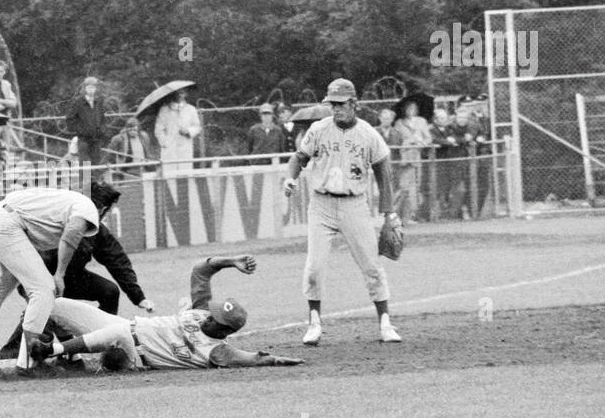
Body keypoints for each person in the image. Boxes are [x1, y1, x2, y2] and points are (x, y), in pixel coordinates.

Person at [283, 78, 403, 346]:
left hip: (354, 205)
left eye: (340, 104)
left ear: (353, 104)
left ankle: (385, 323)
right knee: (314, 267)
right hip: (321, 205)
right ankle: (314, 322)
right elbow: (298, 159)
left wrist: (389, 214)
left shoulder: (369, 134)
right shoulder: (319, 129)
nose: (335, 109)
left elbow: (384, 174)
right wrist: (290, 178)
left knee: (371, 265)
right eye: (332, 104)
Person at [31, 255, 303, 372]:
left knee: (118, 333)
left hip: (132, 354)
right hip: (128, 326)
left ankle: (50, 350)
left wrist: (279, 360)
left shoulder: (219, 351)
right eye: (213, 312)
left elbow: (254, 359)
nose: (208, 315)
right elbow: (200, 270)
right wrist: (231, 261)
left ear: (225, 331)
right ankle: (65, 356)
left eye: (215, 318)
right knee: (57, 304)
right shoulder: (200, 312)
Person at [0, 181, 154, 360]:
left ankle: (102, 342)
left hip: (72, 279)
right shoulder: (55, 220)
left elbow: (116, 260)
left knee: (109, 291)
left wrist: (138, 296)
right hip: (39, 278)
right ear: (102, 209)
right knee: (45, 303)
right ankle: (14, 353)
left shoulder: (96, 230)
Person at [0, 186, 102, 373]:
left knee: (6, 278)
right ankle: (26, 363)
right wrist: (59, 274)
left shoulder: (66, 200)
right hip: (7, 224)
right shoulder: (87, 209)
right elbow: (71, 236)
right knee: (44, 289)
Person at [392, 98, 432, 223]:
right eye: (409, 109)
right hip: (405, 157)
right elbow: (397, 139)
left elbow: (428, 138)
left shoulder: (421, 121)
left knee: (416, 186)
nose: (411, 111)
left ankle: (412, 214)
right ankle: (395, 213)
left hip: (417, 157)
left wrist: (422, 143)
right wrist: (409, 141)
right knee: (404, 186)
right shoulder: (400, 123)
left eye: (413, 109)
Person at [154, 88, 202, 173]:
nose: (180, 95)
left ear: (186, 94)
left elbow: (197, 126)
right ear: (173, 93)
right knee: (169, 174)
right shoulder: (164, 110)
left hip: (185, 146)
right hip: (170, 148)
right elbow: (158, 130)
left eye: (182, 92)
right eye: (178, 92)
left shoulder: (191, 109)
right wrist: (165, 142)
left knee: (185, 173)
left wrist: (188, 131)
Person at [65, 76, 107, 167]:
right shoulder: (78, 102)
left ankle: (95, 181)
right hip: (84, 139)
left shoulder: (99, 102)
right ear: (85, 88)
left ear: (96, 89)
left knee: (96, 162)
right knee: (85, 163)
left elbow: (103, 118)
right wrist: (80, 130)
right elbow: (69, 119)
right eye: (89, 87)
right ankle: (85, 181)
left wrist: (102, 130)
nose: (91, 90)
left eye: (93, 87)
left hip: (96, 138)